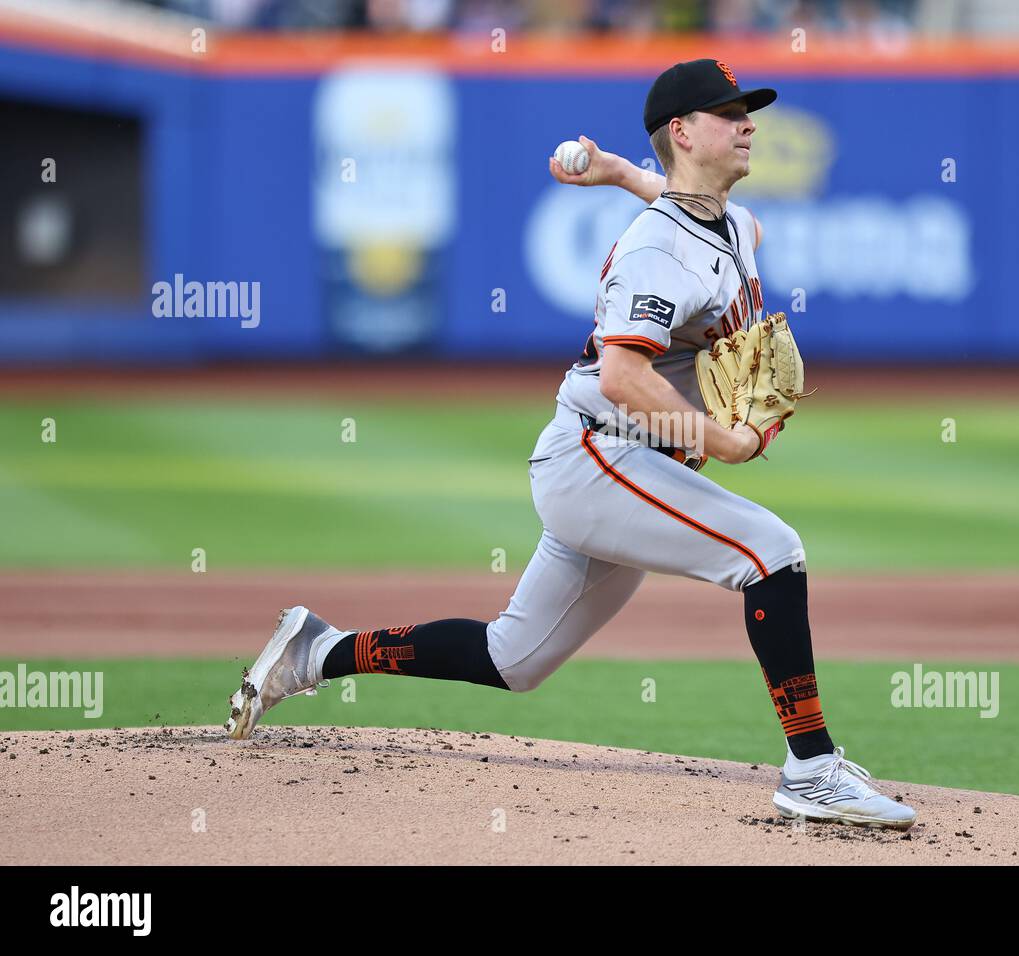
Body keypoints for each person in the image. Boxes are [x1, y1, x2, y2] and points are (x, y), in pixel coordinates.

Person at [225, 58, 917, 830]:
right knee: (771, 553)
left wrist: (623, 170)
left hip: (631, 466)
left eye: (747, 110)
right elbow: (622, 375)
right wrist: (720, 439)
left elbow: (686, 209)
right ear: (684, 132)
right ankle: (813, 770)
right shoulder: (653, 249)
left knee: (512, 659)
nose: (749, 123)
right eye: (730, 113)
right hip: (598, 455)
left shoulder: (732, 224)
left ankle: (317, 650)